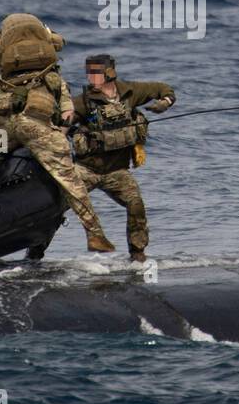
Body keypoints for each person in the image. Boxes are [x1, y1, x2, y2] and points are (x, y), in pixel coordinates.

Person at [0, 14, 117, 253]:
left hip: (4, 131)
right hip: (36, 129)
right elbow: (67, 114)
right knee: (69, 180)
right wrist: (58, 132)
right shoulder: (53, 79)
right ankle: (95, 236)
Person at [70, 54, 175, 262]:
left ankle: (137, 254)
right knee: (57, 205)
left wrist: (165, 102)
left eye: (96, 72)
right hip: (86, 169)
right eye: (88, 72)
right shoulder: (83, 101)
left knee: (136, 204)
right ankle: (37, 251)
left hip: (117, 171)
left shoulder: (130, 92)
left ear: (109, 72)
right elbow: (64, 118)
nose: (91, 77)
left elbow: (163, 88)